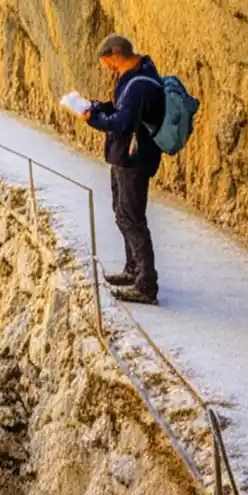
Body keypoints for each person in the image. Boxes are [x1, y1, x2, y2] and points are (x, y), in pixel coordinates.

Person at [78, 34, 166, 305]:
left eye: (107, 62)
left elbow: (122, 123)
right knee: (123, 213)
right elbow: (121, 110)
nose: (108, 68)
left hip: (133, 160)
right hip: (127, 158)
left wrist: (94, 119)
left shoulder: (137, 84)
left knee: (131, 218)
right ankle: (133, 270)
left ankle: (146, 285)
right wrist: (98, 107)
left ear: (115, 53)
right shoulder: (138, 74)